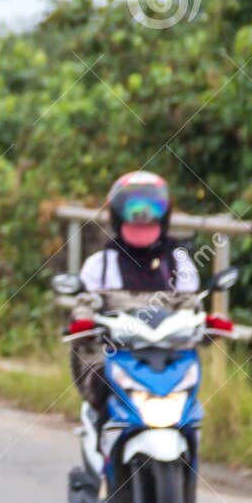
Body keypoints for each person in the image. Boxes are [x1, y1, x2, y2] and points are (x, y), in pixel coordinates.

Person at [68, 170, 201, 414]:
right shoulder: (100, 264)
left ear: (165, 215)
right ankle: (102, 426)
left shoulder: (180, 263)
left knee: (191, 400)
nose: (143, 217)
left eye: (153, 209)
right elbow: (86, 303)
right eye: (133, 209)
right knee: (99, 380)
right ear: (117, 215)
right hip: (117, 354)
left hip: (167, 356)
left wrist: (208, 324)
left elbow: (192, 305)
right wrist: (83, 320)